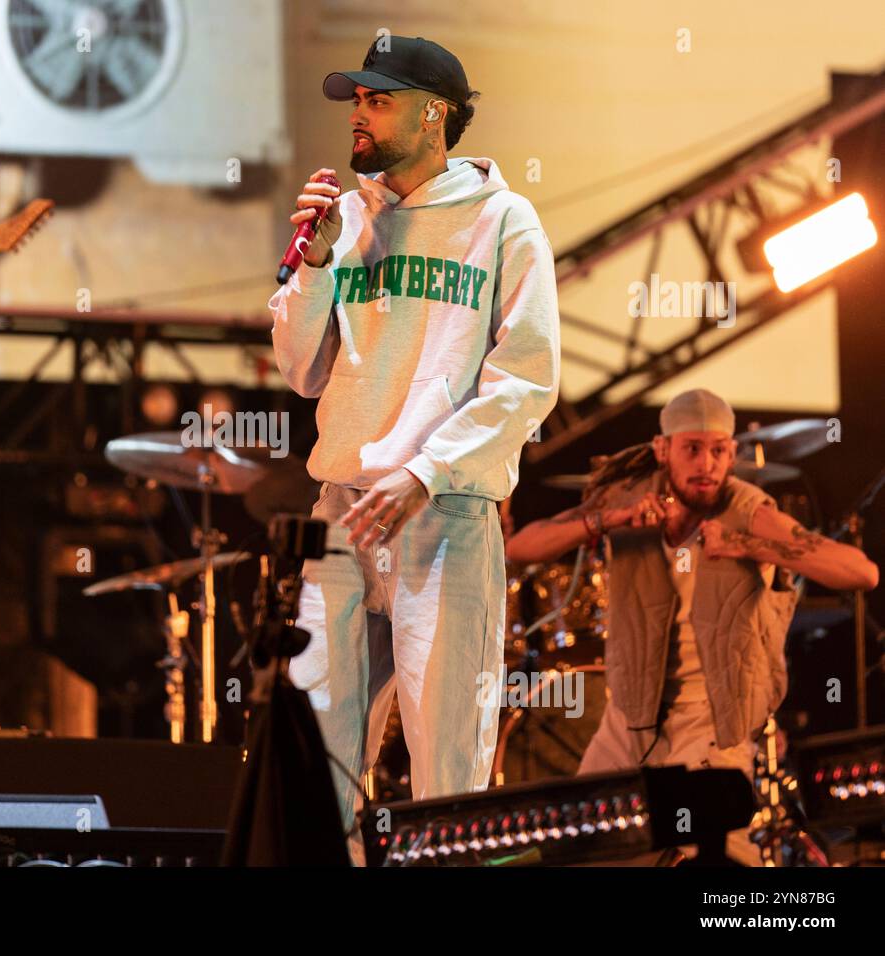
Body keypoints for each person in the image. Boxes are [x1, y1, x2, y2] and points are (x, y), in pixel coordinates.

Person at [269, 36, 562, 864]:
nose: (358, 114)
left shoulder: (504, 220)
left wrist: (425, 472)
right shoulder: (346, 218)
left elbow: (528, 377)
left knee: (447, 770)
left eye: (379, 98)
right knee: (318, 756)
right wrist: (315, 264)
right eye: (356, 98)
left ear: (436, 114)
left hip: (445, 512)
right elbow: (298, 370)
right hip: (340, 512)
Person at [506, 388, 879, 864]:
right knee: (580, 847)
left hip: (710, 725)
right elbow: (520, 548)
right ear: (663, 449)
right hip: (628, 720)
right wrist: (606, 520)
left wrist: (747, 544)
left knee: (717, 858)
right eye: (693, 449)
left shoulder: (748, 510)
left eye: (719, 450)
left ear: (732, 453)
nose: (707, 464)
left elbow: (861, 572)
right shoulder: (626, 499)